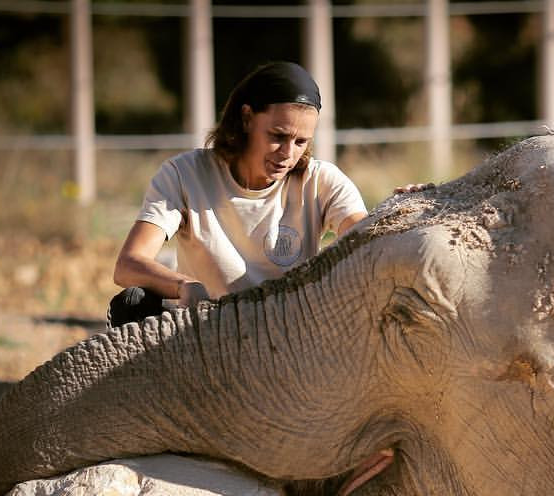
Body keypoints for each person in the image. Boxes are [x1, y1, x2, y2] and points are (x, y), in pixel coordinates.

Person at [109, 60, 368, 328]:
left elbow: (370, 245)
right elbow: (129, 264)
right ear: (246, 119)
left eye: (301, 142)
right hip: (209, 330)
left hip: (291, 336)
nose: (288, 153)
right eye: (278, 136)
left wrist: (409, 205)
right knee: (133, 302)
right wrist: (185, 286)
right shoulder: (184, 175)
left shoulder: (321, 181)